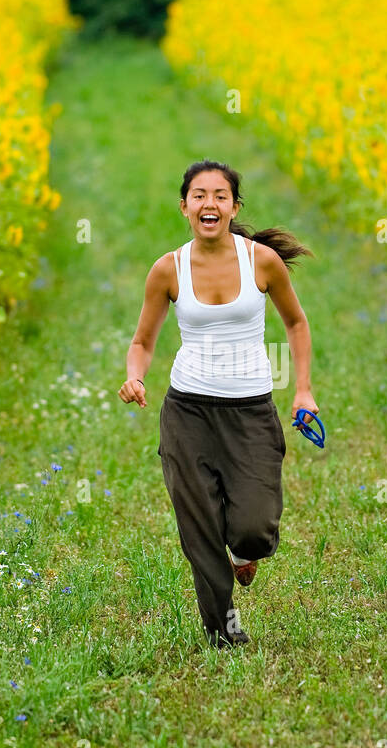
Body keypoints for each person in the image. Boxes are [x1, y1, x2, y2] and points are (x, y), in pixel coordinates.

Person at [119, 160, 317, 648]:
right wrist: (135, 376)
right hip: (187, 413)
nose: (209, 203)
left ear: (234, 207)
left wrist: (303, 390)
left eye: (220, 196)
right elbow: (142, 341)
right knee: (200, 528)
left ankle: (245, 554)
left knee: (254, 526)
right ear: (184, 207)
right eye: (199, 195)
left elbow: (296, 323)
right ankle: (222, 630)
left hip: (251, 411)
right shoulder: (168, 269)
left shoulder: (261, 262)